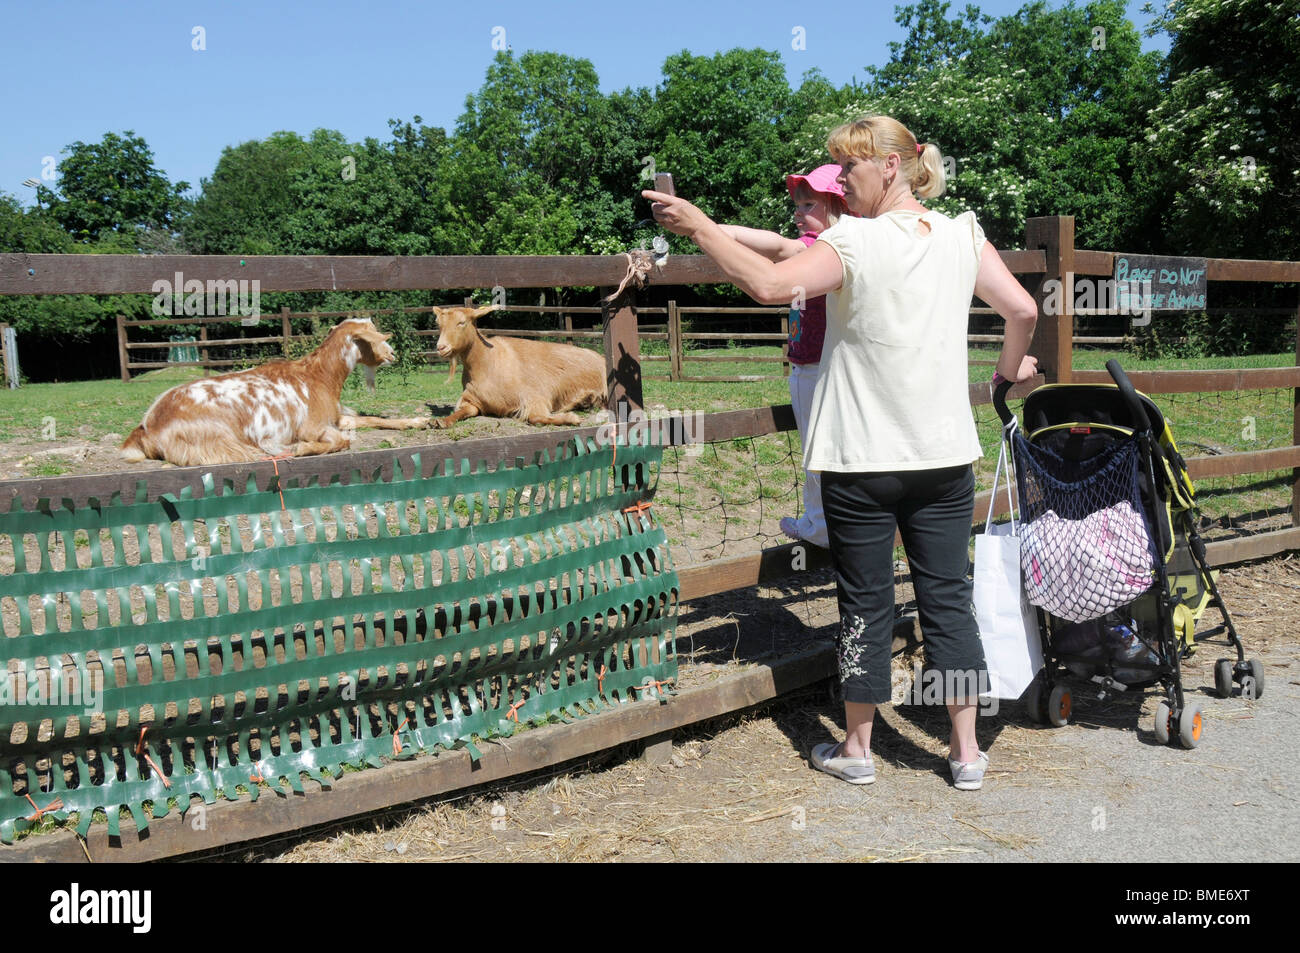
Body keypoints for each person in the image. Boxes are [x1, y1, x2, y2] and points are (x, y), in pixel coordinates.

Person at [644, 116, 1039, 790]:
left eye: (850, 168)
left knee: (864, 599)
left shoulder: (851, 239)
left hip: (861, 456)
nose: (841, 181)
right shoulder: (962, 233)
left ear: (890, 167)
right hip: (943, 457)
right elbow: (1024, 309)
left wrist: (703, 228)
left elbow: (771, 286)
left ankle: (858, 747)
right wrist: (1005, 375)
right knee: (948, 596)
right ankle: (966, 752)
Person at [716, 164, 851, 549]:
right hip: (829, 365)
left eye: (808, 204)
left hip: (813, 367)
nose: (797, 212)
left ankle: (821, 526)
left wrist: (716, 232)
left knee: (817, 449)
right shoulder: (851, 246)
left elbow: (779, 246)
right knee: (834, 450)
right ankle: (837, 523)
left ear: (837, 207)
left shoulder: (818, 247)